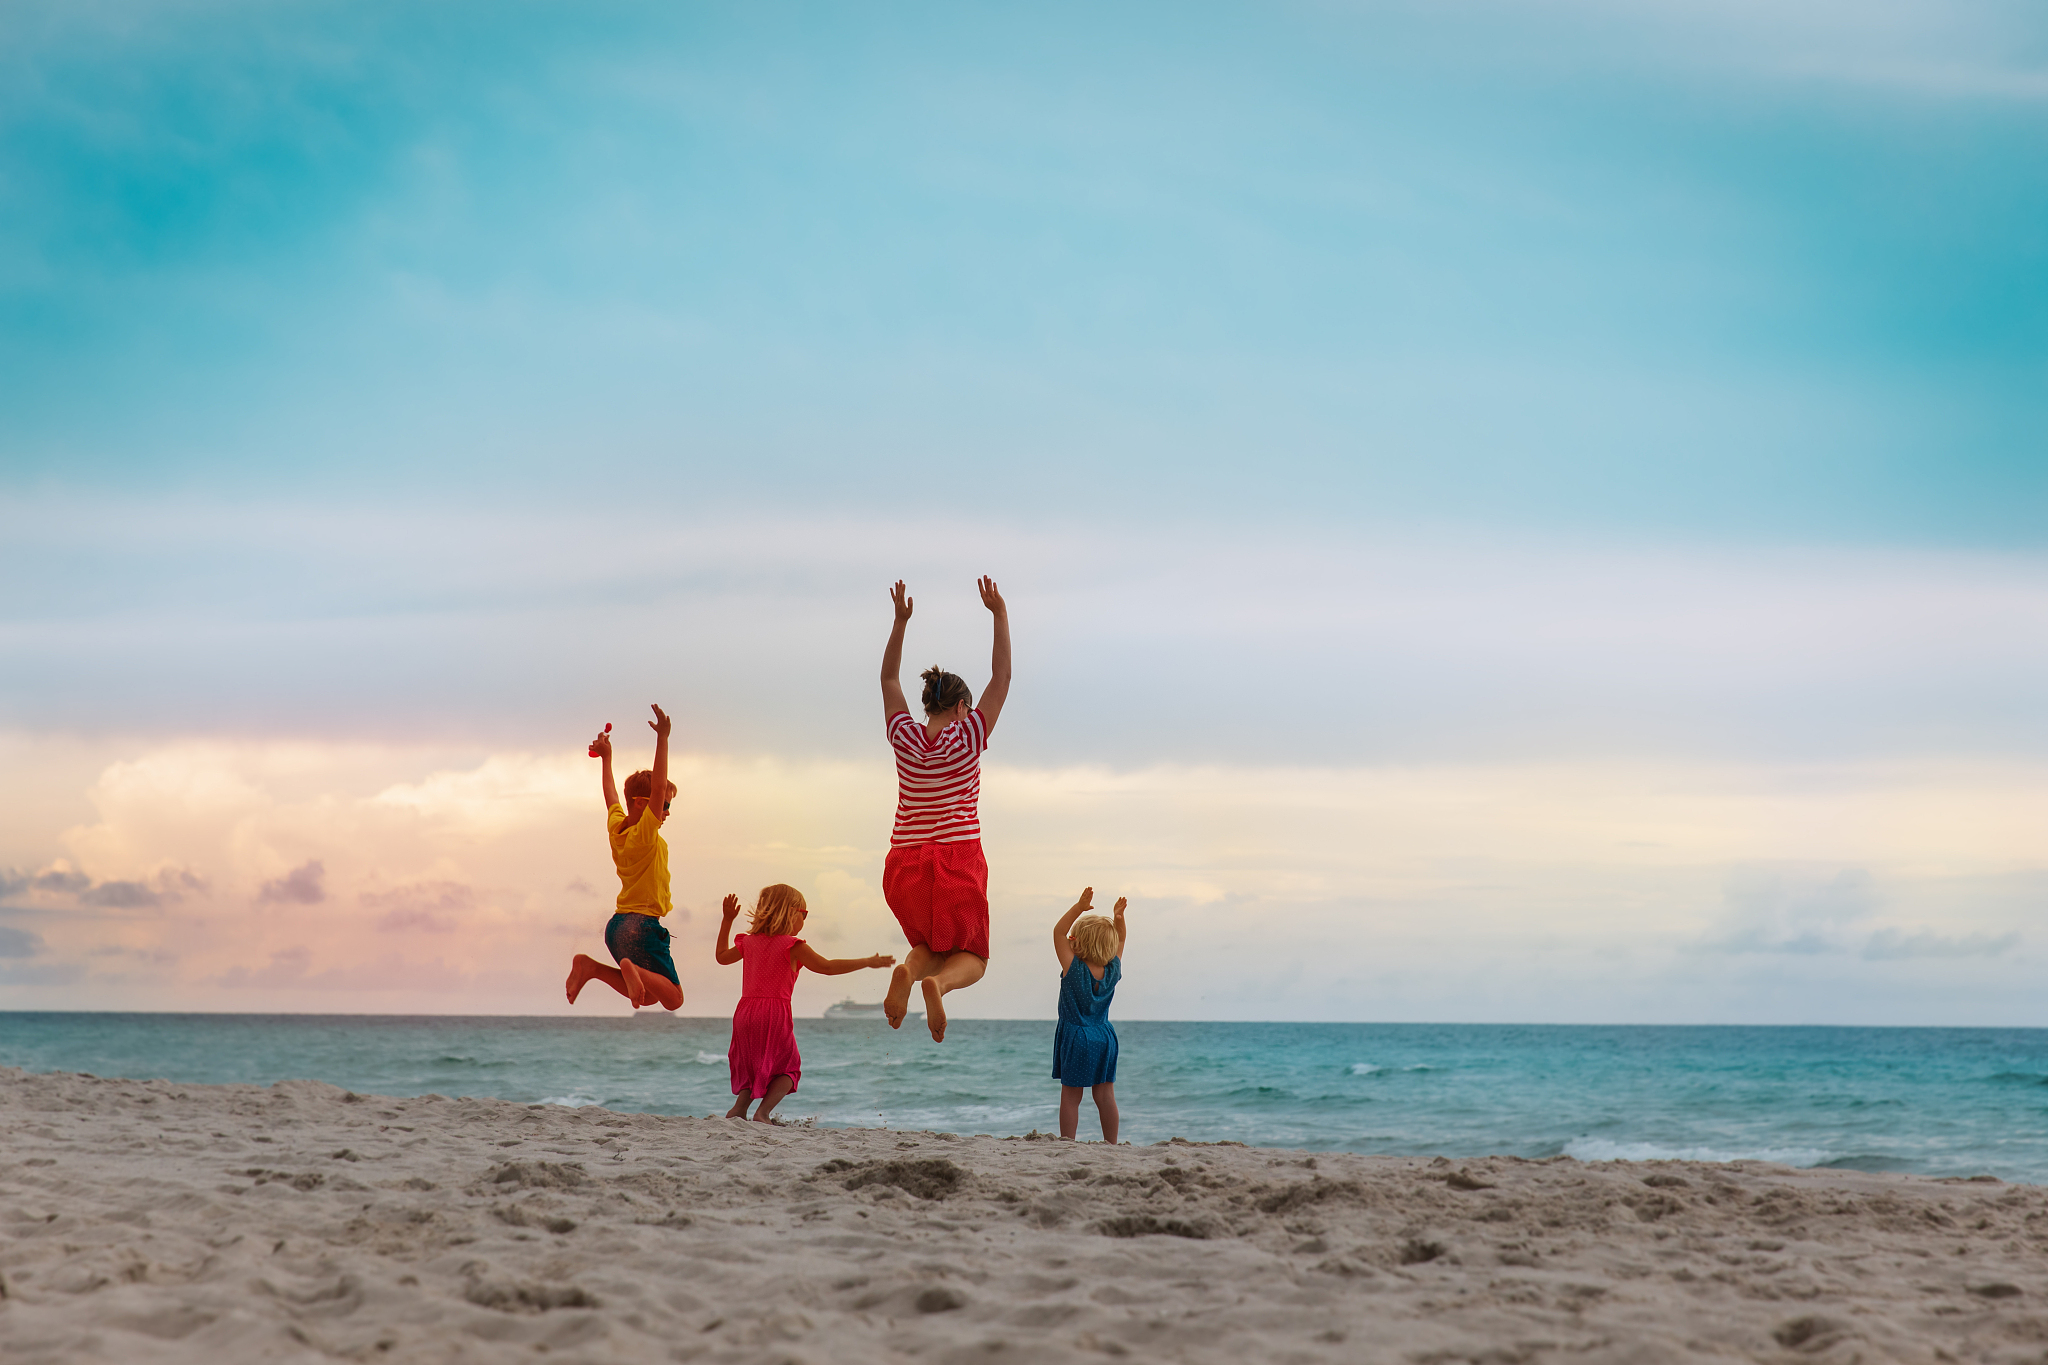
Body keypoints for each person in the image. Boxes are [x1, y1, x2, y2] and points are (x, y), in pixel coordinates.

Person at [877, 576, 1012, 1041]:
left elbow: (888, 679)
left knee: (927, 946)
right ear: (960, 708)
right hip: (957, 858)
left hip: (906, 862)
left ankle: (911, 972)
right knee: (974, 957)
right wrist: (999, 614)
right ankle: (937, 985)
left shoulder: (904, 736)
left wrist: (900, 622)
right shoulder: (968, 735)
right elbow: (1002, 678)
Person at [715, 885, 895, 1122]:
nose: (804, 919)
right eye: (804, 913)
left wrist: (727, 920)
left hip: (745, 1013)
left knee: (753, 1064)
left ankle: (738, 1111)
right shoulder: (793, 945)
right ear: (791, 913)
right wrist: (867, 961)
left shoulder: (748, 942)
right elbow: (827, 967)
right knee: (790, 1068)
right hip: (773, 1013)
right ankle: (762, 1113)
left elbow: (721, 957)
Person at [565, 705, 684, 1012]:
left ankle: (591, 968)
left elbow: (611, 795)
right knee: (674, 999)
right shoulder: (645, 834)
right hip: (642, 926)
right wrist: (662, 738)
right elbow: (659, 785)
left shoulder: (617, 828)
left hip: (617, 928)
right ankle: (635, 971)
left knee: (649, 995)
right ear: (644, 803)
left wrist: (606, 758)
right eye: (665, 805)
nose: (666, 812)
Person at [1051, 887, 1128, 1143]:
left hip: (1077, 1037)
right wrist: (1118, 919)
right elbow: (1121, 940)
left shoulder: (1073, 968)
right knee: (1105, 1096)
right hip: (1105, 1036)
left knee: (1071, 1098)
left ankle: (1068, 1142)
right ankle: (1112, 1143)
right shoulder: (1113, 970)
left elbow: (1058, 932)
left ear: (1078, 942)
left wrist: (1079, 908)